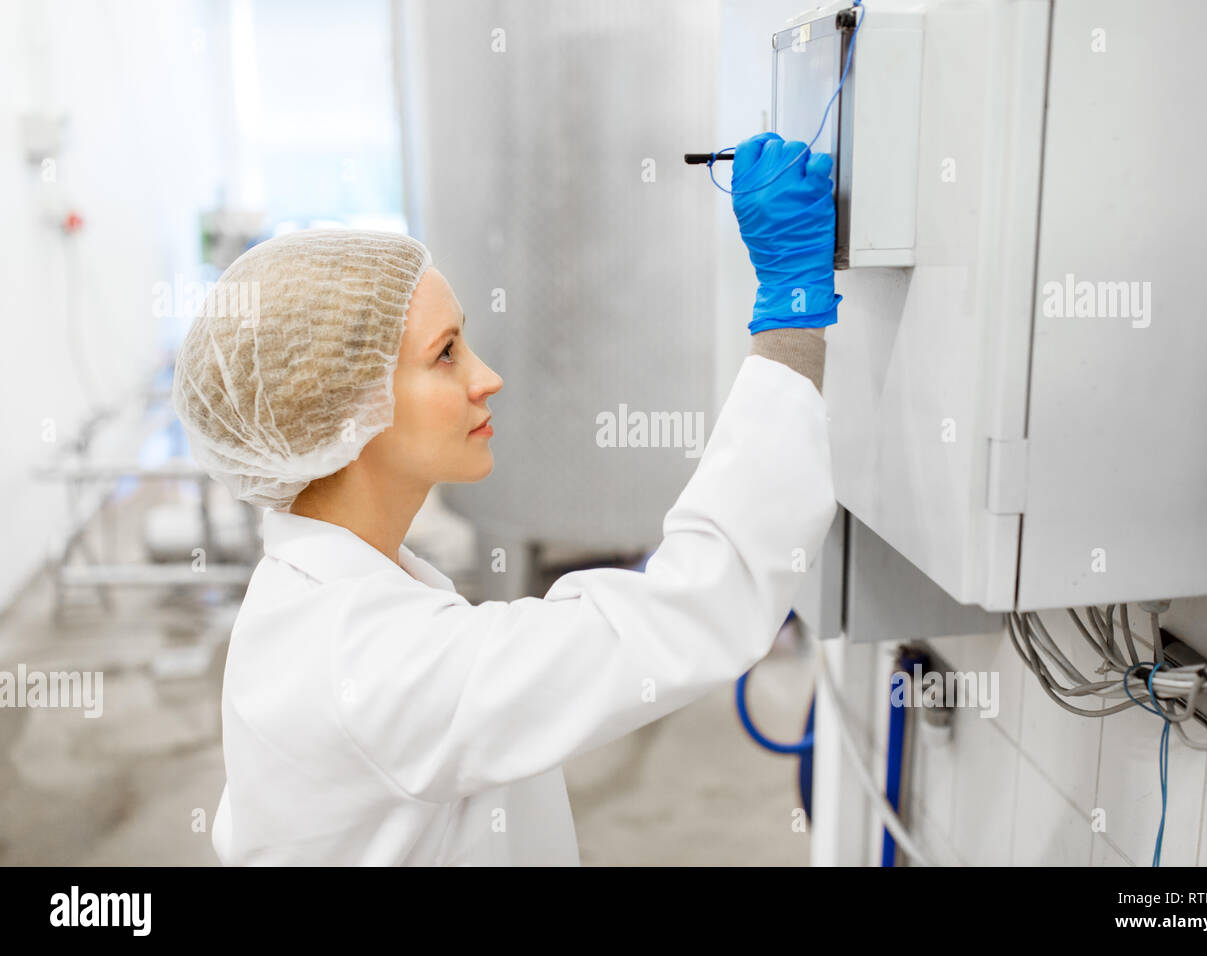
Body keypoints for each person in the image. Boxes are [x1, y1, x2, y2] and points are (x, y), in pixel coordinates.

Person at [171, 132, 840, 865]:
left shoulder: (313, 595)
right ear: (340, 411)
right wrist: (790, 319)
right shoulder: (372, 664)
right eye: (446, 353)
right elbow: (692, 611)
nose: (486, 378)